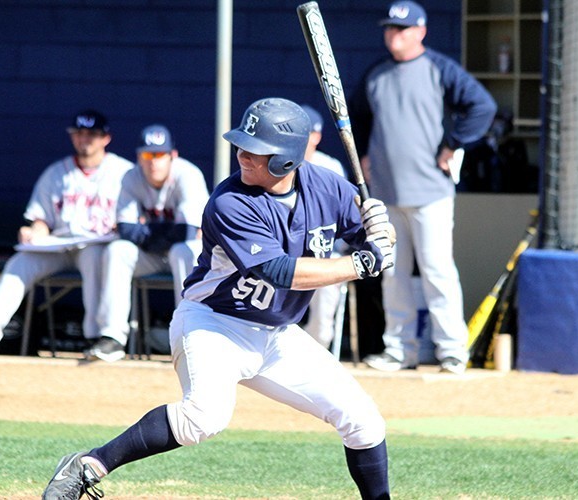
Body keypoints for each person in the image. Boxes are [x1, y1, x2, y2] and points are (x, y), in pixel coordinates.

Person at [41, 98, 396, 500]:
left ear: (285, 160)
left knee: (364, 421)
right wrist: (363, 263)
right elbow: (280, 272)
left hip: (277, 333)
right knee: (203, 418)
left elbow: (373, 241)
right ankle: (89, 465)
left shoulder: (327, 185)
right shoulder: (230, 202)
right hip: (215, 324)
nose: (242, 154)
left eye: (255, 149)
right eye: (242, 144)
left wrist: (381, 233)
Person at [349, 0, 497, 374]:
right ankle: (399, 350)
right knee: (391, 272)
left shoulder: (439, 69)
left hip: (431, 191)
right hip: (385, 193)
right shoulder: (376, 75)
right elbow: (356, 118)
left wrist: (453, 143)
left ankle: (452, 351)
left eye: (401, 29)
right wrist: (364, 155)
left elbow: (482, 106)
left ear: (421, 31)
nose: (393, 35)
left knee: (437, 271)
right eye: (389, 29)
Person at [0, 110, 133, 359]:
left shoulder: (124, 172)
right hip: (59, 245)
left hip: (98, 246)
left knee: (96, 257)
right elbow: (41, 220)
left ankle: (102, 338)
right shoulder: (56, 173)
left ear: (106, 138)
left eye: (91, 134)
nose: (84, 139)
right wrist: (33, 231)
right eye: (79, 134)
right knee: (20, 263)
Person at [88, 124, 208, 362]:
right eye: (147, 155)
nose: (153, 162)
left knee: (185, 250)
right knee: (117, 250)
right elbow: (125, 230)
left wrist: (145, 230)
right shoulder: (132, 177)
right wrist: (159, 233)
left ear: (172, 156)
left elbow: (187, 231)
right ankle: (112, 338)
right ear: (139, 157)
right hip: (151, 255)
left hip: (182, 253)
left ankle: (190, 335)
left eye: (159, 155)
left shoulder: (188, 174)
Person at [299, 104, 348, 349]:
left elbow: (342, 220)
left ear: (316, 136)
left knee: (329, 281)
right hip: (286, 252)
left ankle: (314, 349)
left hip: (322, 250)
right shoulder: (275, 166)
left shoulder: (330, 168)